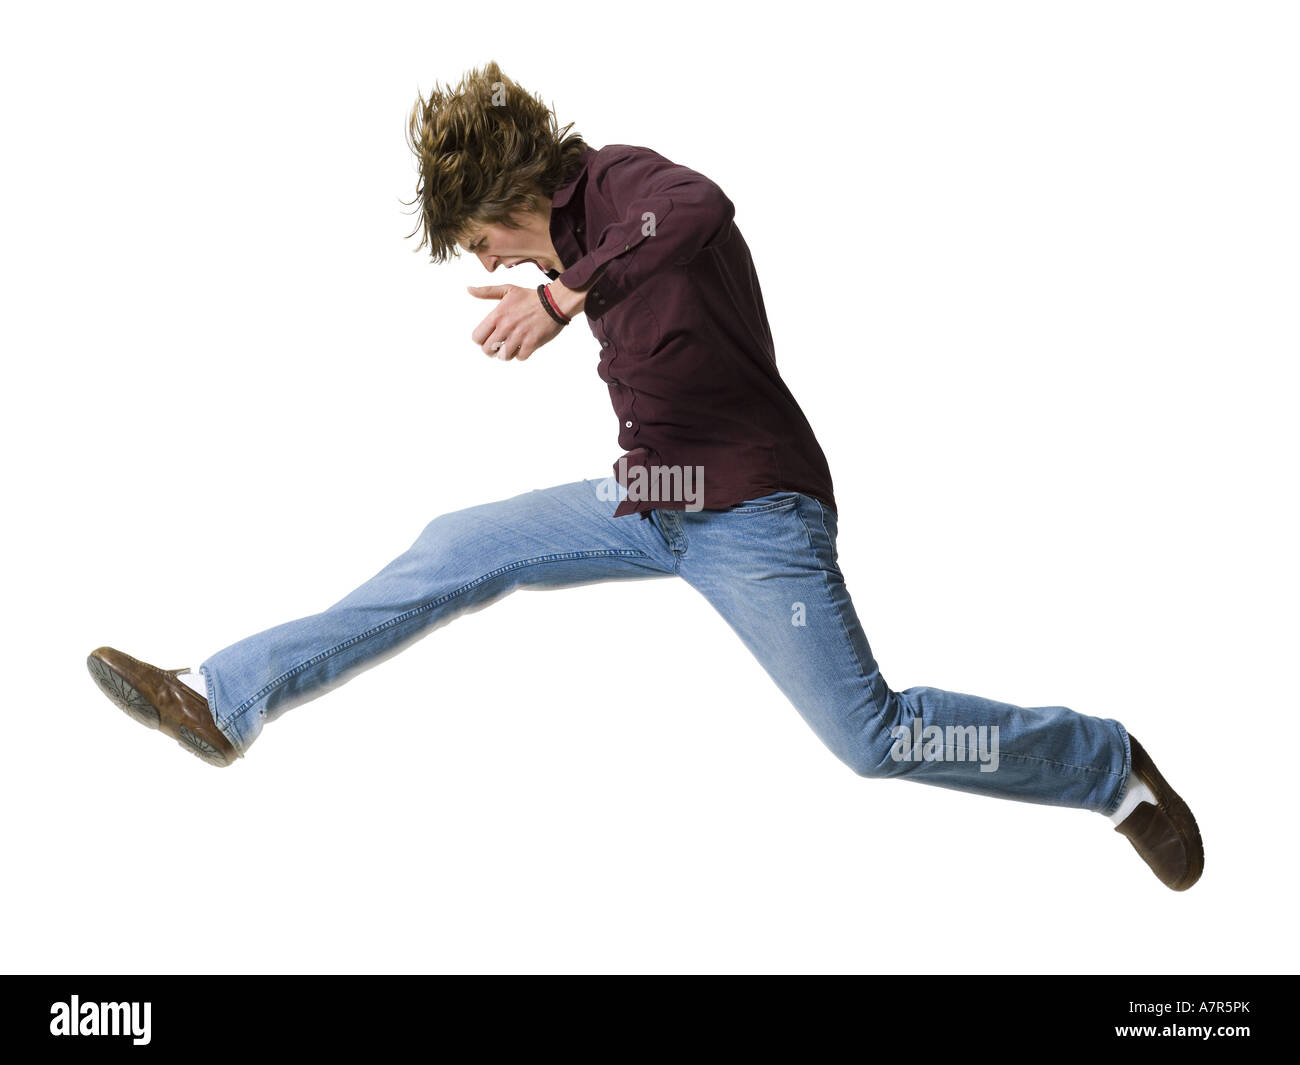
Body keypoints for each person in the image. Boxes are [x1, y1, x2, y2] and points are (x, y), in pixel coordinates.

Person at [86, 61, 1202, 891]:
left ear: (511, 195)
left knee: (875, 738)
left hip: (757, 510)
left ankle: (1107, 767)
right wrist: (569, 293)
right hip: (654, 497)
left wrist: (567, 297)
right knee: (456, 544)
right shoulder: (581, 243)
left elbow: (702, 205)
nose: (488, 265)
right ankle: (223, 698)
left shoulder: (622, 184)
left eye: (482, 240)